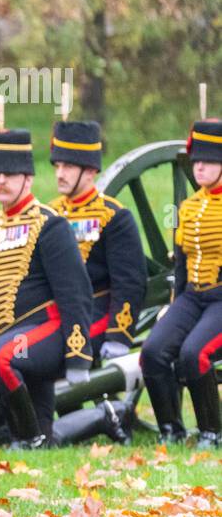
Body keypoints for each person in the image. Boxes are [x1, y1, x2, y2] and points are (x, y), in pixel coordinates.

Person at [0, 129, 94, 448]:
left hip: (47, 331)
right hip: (8, 333)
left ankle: (28, 439)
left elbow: (75, 292)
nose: (0, 181)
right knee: (48, 432)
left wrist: (78, 353)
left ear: (27, 178)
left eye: (10, 174)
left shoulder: (50, 224)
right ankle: (97, 419)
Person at [47, 120, 147, 445]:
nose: (60, 173)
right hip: (56, 312)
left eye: (68, 166)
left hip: (97, 310)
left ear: (90, 171)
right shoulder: (48, 214)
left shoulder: (114, 216)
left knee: (57, 350)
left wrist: (119, 334)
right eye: (57, 165)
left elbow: (130, 282)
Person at [139, 119, 222, 447]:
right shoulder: (188, 209)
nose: (199, 167)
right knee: (153, 351)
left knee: (194, 353)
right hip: (192, 296)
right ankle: (171, 430)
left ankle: (211, 432)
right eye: (196, 160)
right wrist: (173, 308)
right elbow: (183, 265)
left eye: (209, 161)